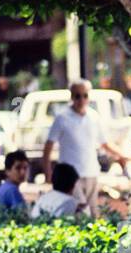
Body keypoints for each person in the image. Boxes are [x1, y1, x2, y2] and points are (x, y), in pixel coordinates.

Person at [43, 80, 101, 217]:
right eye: (77, 96)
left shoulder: (94, 117)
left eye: (85, 95)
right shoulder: (61, 118)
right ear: (71, 96)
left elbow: (104, 143)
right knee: (79, 215)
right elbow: (48, 147)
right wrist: (48, 173)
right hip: (71, 178)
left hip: (92, 173)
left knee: (94, 215)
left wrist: (124, 156)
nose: (81, 99)